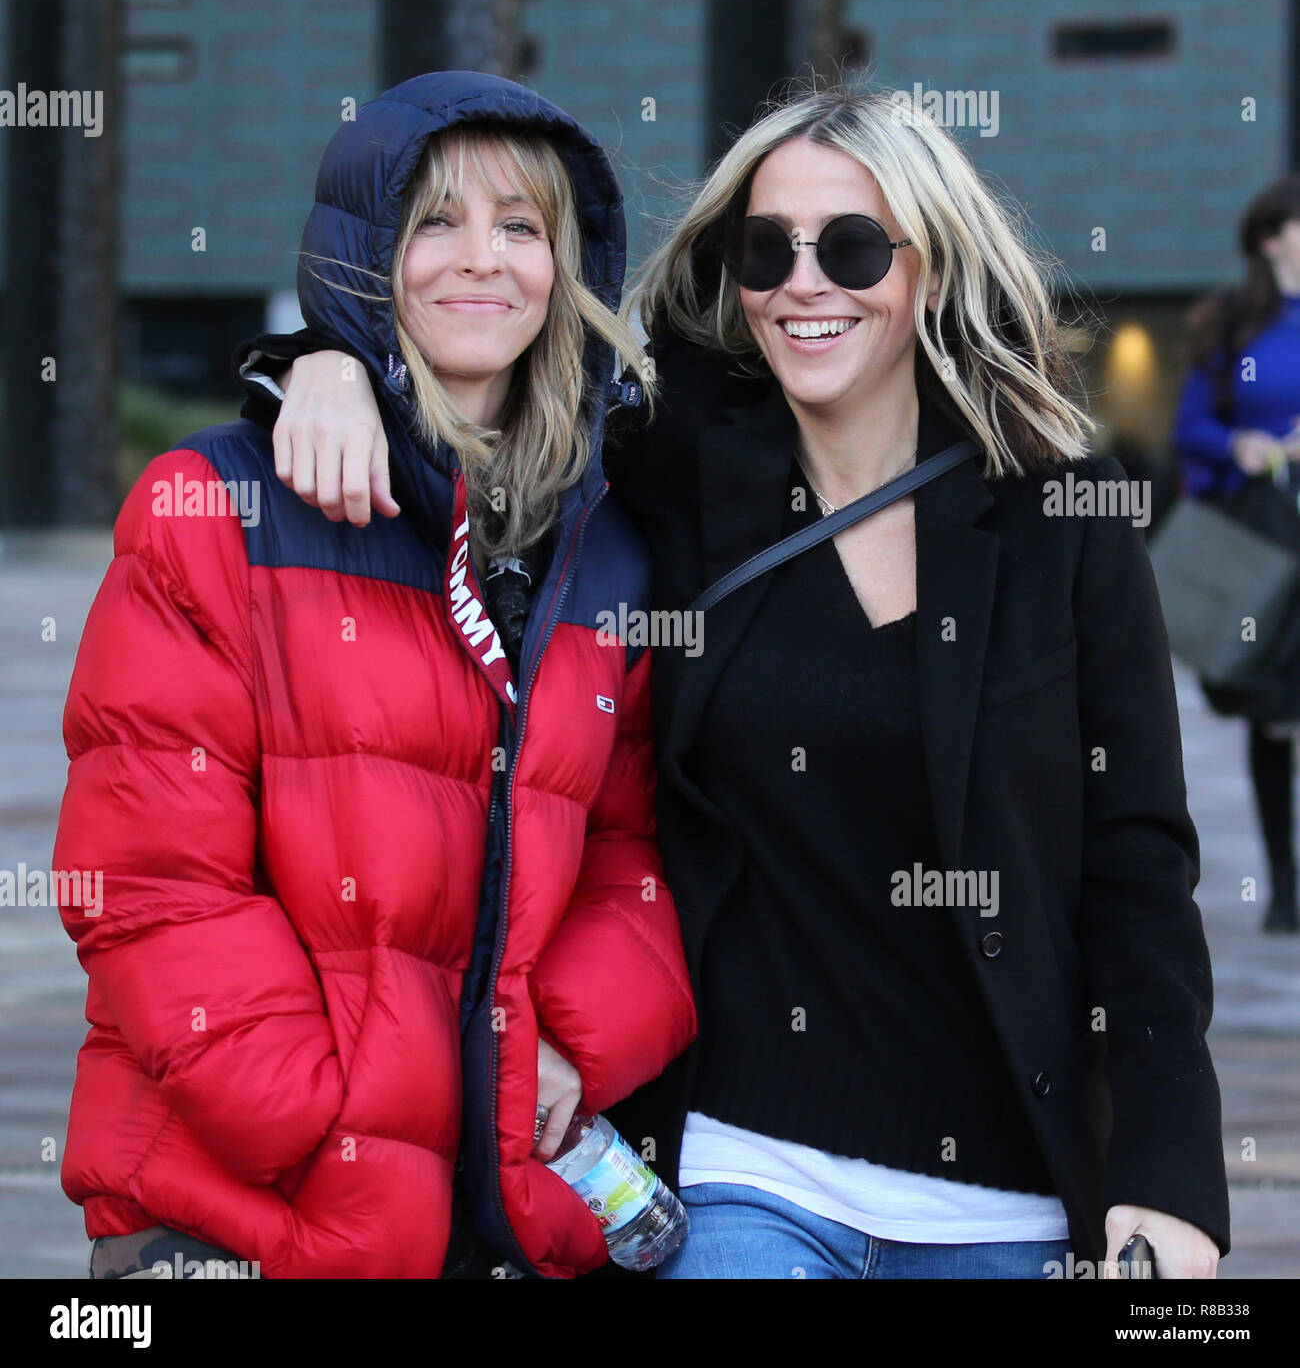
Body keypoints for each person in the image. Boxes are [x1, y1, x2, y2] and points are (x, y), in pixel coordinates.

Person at [241, 82, 1229, 1280]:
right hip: (743, 1165)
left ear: (928, 267)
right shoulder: (670, 470)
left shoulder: (1060, 523)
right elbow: (479, 397)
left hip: (1006, 1197)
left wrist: (1170, 1183)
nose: (804, 282)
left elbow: (1136, 871)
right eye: (767, 249)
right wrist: (322, 361)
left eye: (853, 245)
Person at [52, 70, 696, 1280]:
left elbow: (633, 847)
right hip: (244, 1206)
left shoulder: (608, 538)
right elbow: (148, 876)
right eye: (434, 221)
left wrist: (562, 1042)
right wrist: (326, 1109)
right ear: (365, 253)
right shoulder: (216, 504)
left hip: (497, 1199)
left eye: (522, 227)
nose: (481, 260)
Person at [1172, 175, 1300, 935]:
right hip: (1267, 539)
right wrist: (1244, 444)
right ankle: (1283, 885)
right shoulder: (1234, 324)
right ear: (1270, 238)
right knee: (1273, 712)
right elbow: (1190, 427)